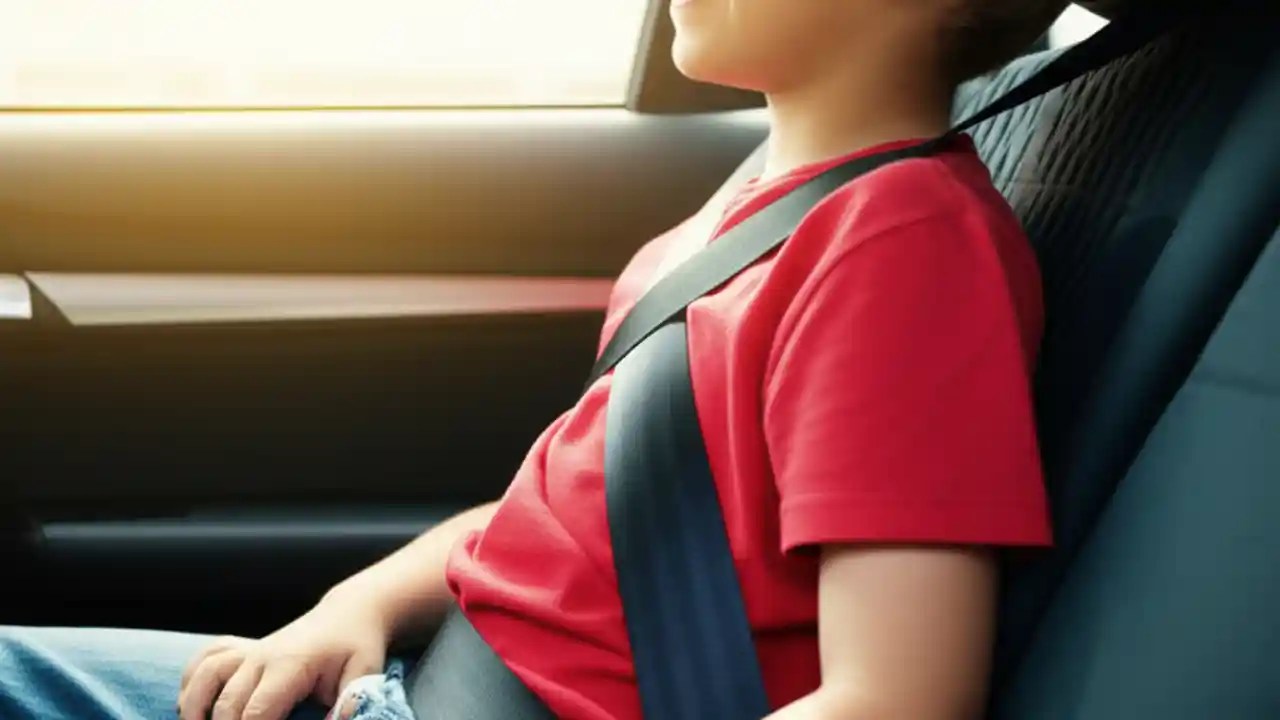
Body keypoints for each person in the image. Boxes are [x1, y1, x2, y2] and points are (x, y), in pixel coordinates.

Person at [0, 0, 1067, 718]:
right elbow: (566, 513)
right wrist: (351, 611)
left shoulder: (903, 241)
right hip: (429, 676)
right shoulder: (749, 209)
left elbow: (895, 698)